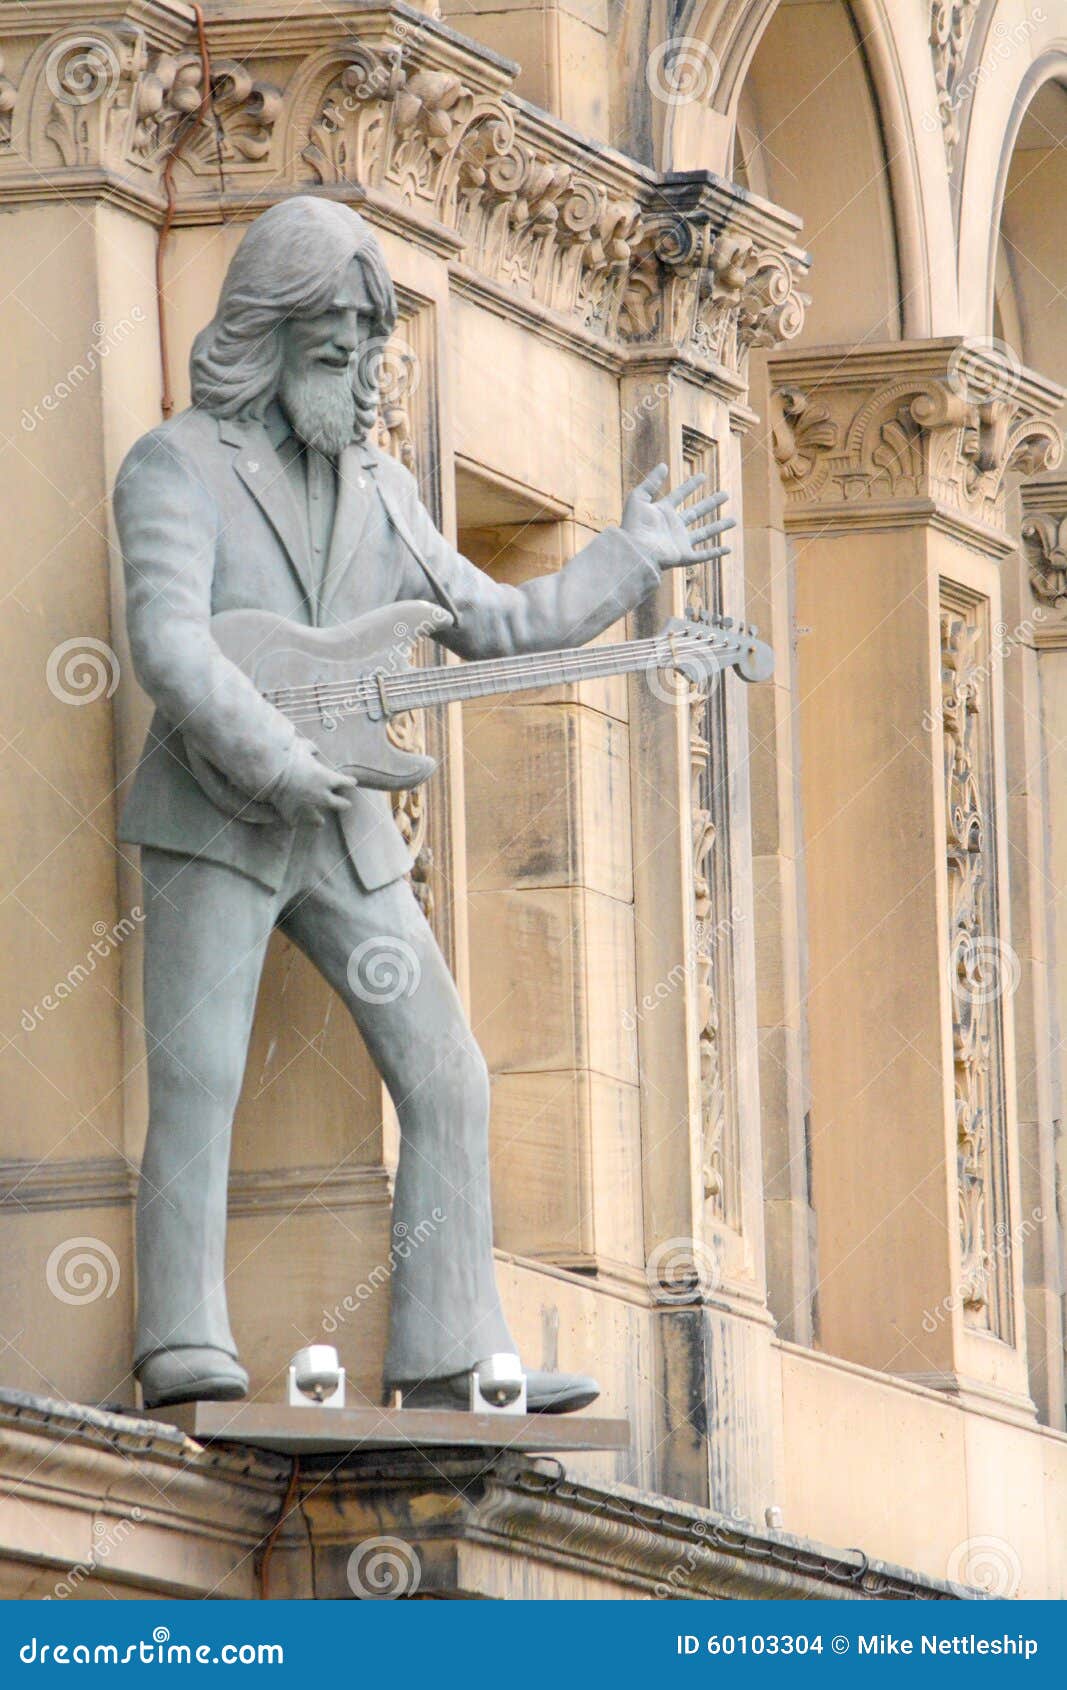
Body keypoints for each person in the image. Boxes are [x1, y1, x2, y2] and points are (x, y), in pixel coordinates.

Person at [114, 194, 733, 1411]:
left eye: (369, 361)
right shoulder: (175, 465)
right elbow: (169, 647)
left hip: (341, 823)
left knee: (448, 1068)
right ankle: (179, 1334)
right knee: (200, 1074)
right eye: (337, 360)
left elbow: (500, 624)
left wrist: (626, 556)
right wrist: (268, 758)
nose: (360, 390)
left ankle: (448, 1346)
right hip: (217, 813)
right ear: (271, 341)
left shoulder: (385, 489)